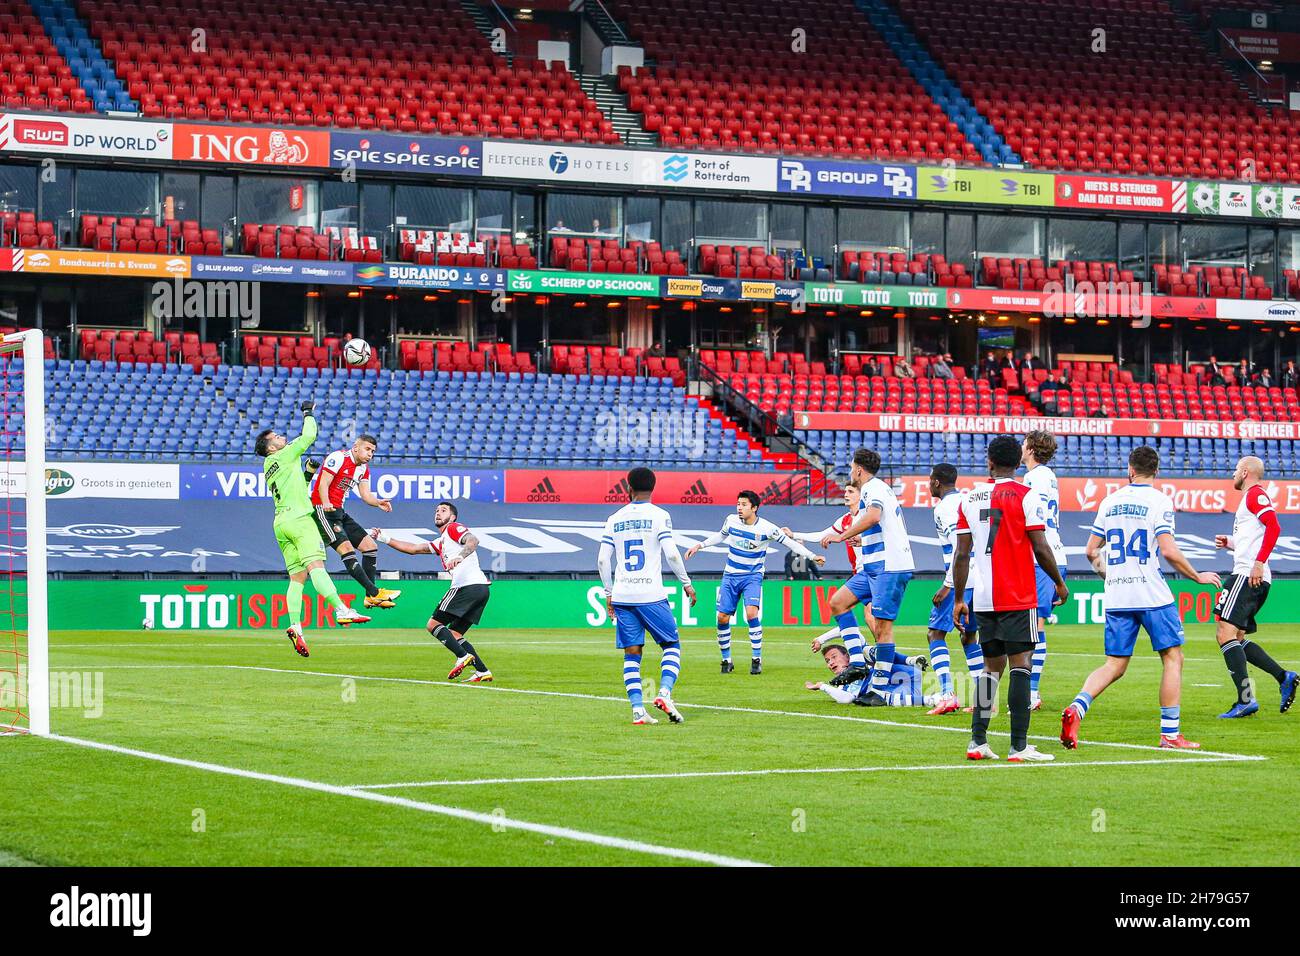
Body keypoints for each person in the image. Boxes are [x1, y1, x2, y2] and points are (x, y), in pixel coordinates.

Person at [1061, 446, 1222, 750]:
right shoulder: (1159, 501)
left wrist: (1111, 577)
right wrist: (1197, 576)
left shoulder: (1109, 502)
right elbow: (1170, 551)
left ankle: (1077, 708)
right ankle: (1170, 735)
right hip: (1151, 593)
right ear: (1156, 471)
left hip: (1118, 594)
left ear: (1130, 470)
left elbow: (1090, 550)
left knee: (1114, 664)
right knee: (1173, 658)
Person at [952, 434, 1067, 762]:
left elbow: (961, 555)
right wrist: (1059, 583)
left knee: (990, 668)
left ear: (989, 462)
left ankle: (977, 741)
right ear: (1019, 462)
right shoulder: (1025, 495)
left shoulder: (969, 498)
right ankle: (1018, 746)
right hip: (1017, 594)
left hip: (983, 596)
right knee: (1021, 665)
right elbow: (1040, 546)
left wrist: (960, 599)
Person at [255, 401, 370, 658]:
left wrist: (307, 474)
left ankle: (296, 626)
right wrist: (308, 412)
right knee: (316, 566)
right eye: (276, 437)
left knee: (297, 578)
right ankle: (342, 609)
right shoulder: (284, 454)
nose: (281, 436)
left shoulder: (268, 466)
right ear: (272, 447)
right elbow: (309, 435)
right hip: (300, 519)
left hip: (281, 523)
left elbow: (292, 487)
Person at [685, 490, 824, 675]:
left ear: (754, 508)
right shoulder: (731, 520)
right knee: (722, 618)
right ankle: (726, 660)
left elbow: (791, 543)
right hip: (730, 575)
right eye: (738, 504)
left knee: (751, 614)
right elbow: (720, 535)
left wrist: (812, 556)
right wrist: (699, 545)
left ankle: (756, 659)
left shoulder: (767, 528)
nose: (739, 508)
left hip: (752, 576)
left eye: (743, 505)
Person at [597, 467, 696, 725]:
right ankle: (664, 693)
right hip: (650, 594)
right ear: (653, 488)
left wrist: (609, 593)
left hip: (623, 595)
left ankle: (638, 711)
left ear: (627, 488)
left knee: (632, 653)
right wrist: (686, 583)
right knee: (671, 645)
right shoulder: (660, 515)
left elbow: (602, 560)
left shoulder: (614, 518)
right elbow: (672, 554)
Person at [820, 448, 914, 704]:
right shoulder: (875, 490)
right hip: (873, 566)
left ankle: (880, 691)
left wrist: (843, 535)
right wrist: (859, 538)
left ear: (859, 469)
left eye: (852, 467)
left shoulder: (873, 487)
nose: (851, 472)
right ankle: (859, 663)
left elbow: (874, 516)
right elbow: (879, 525)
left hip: (889, 566)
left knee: (882, 627)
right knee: (838, 602)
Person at [371, 502, 495, 682]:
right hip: (481, 589)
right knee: (455, 634)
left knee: (433, 624)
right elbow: (414, 549)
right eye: (437, 510)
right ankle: (482, 671)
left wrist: (460, 556)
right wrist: (384, 538)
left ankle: (462, 656)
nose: (438, 513)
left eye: (443, 510)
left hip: (466, 586)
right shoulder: (442, 541)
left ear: (452, 517)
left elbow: (473, 541)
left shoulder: (453, 528)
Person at [1213, 456, 1298, 718]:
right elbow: (1255, 537)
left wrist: (1258, 563)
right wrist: (1231, 542)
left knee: (1224, 633)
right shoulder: (1249, 499)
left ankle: (1245, 700)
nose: (1233, 475)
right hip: (1251, 573)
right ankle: (1283, 677)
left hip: (1247, 574)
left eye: (1236, 470)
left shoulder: (1255, 495)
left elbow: (1274, 526)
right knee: (1235, 637)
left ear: (1246, 472)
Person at [305, 436, 402, 610]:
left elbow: (366, 495)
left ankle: (370, 596)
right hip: (321, 509)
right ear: (356, 447)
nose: (370, 454)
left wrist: (378, 502)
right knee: (347, 550)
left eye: (373, 451)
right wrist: (326, 502)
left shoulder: (363, 469)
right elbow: (323, 483)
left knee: (370, 547)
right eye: (367, 449)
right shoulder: (338, 458)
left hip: (339, 512)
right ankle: (375, 592)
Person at [926, 463, 984, 716]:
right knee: (969, 636)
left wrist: (948, 585)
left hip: (962, 579)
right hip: (981, 579)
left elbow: (960, 548)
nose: (929, 485)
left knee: (935, 634)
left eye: (930, 480)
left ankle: (948, 694)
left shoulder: (945, 508)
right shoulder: (967, 501)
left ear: (937, 482)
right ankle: (985, 699)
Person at [1021, 430, 1067, 711]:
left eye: (1024, 444)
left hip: (1041, 557)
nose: (1021, 448)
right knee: (1030, 625)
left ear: (1032, 449)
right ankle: (1030, 690)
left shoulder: (1034, 478)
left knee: (1034, 626)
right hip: (1048, 555)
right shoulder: (1047, 476)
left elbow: (1032, 517)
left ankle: (1032, 692)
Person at [805, 644, 938, 709]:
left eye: (834, 657)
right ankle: (934, 699)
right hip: (898, 685)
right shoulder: (842, 683)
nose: (831, 663)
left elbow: (847, 699)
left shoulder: (860, 662)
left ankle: (933, 699)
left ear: (848, 656)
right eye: (827, 661)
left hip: (906, 676)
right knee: (879, 696)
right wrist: (823, 686)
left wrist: (822, 686)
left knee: (870, 651)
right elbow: (845, 697)